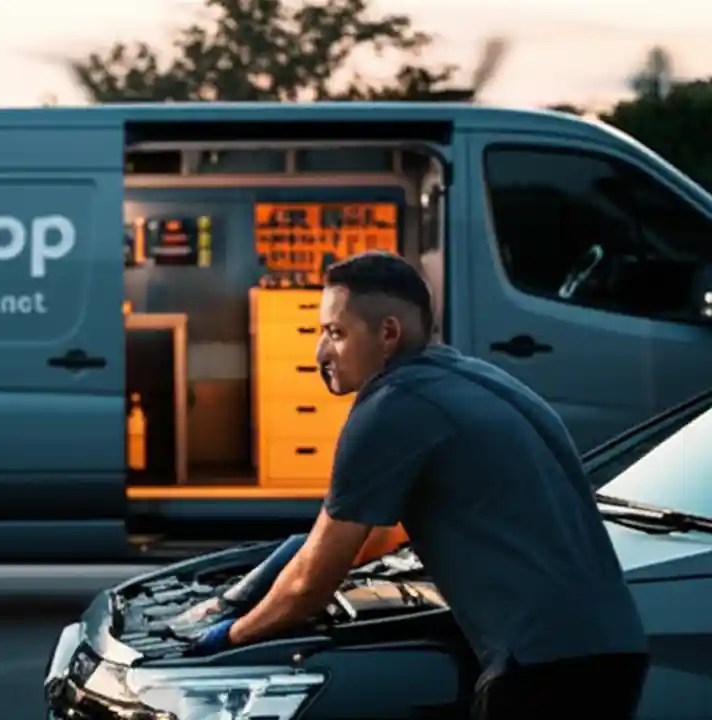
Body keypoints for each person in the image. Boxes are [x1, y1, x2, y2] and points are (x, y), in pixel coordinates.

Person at [189, 251, 650, 720]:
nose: (320, 354)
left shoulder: (393, 405)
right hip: (613, 653)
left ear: (387, 333)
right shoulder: (481, 379)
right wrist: (247, 588)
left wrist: (229, 635)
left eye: (335, 333)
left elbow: (311, 585)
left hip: (539, 667)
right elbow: (374, 539)